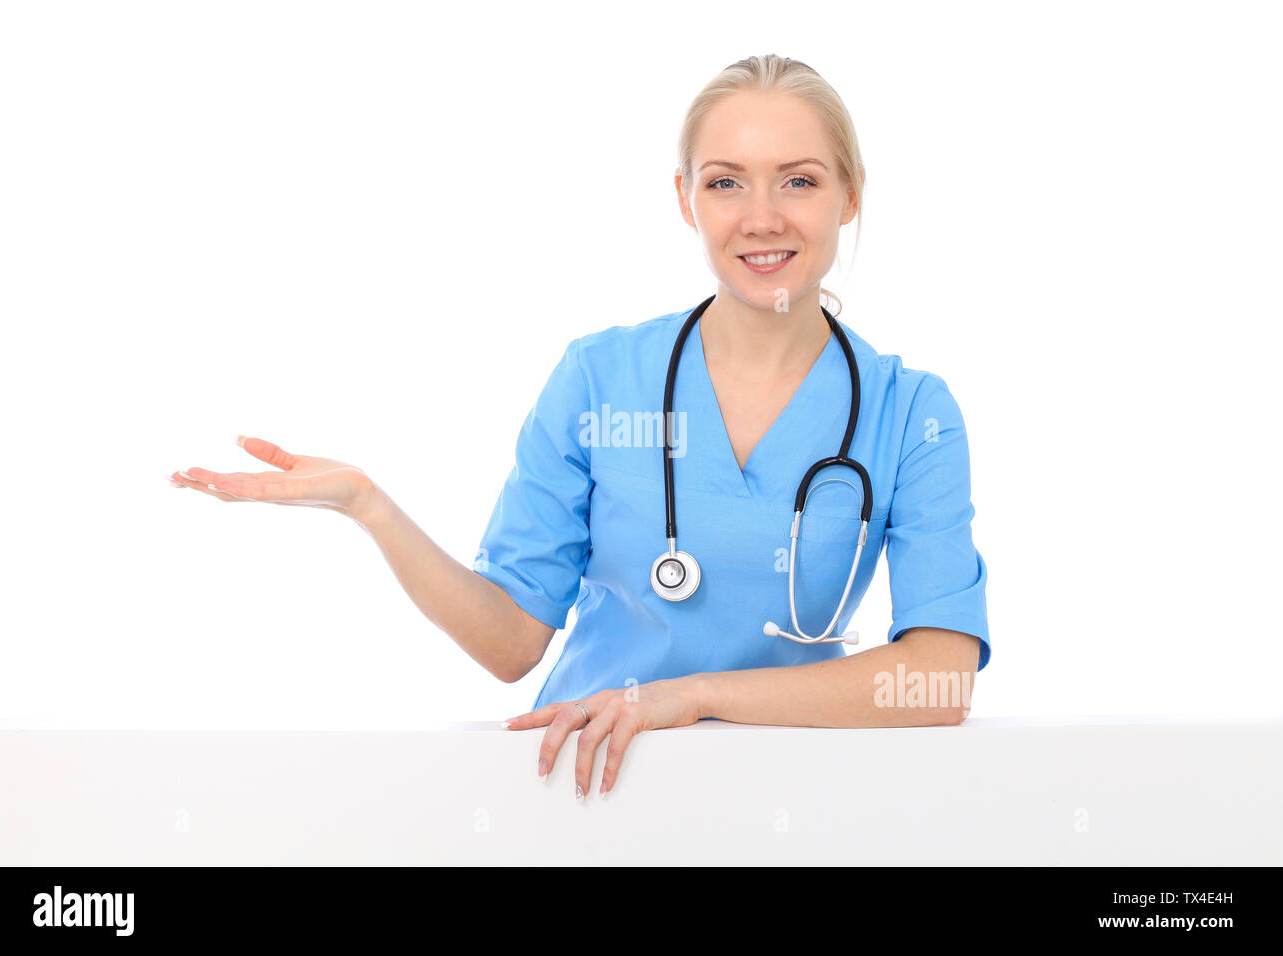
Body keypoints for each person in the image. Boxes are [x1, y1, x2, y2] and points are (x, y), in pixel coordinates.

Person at [168, 54, 989, 802]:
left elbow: (940, 678)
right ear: (685, 199)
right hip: (579, 802)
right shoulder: (601, 380)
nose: (762, 217)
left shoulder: (909, 413)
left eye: (800, 181)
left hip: (784, 806)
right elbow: (511, 642)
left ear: (851, 195)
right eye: (726, 182)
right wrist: (370, 506)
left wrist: (693, 696)